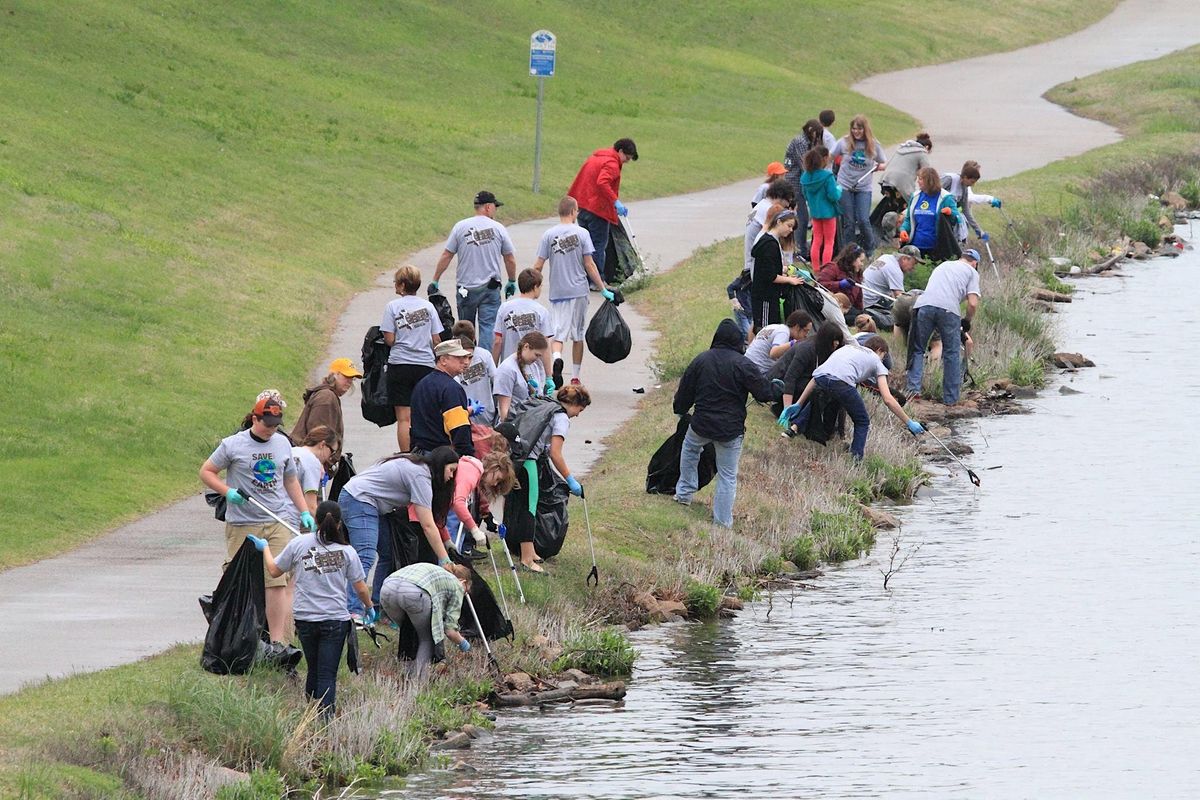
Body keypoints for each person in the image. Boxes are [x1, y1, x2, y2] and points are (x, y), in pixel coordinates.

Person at [200, 393, 313, 644]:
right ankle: (234, 636)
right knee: (240, 579)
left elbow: (290, 479)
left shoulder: (283, 444)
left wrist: (304, 510)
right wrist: (227, 492)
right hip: (243, 523)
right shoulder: (232, 445)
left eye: (276, 425)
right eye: (267, 424)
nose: (271, 430)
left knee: (277, 580)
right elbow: (207, 472)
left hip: (277, 520)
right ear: (255, 418)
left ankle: (278, 643)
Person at [249, 501, 372, 717]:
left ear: (315, 522)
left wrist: (265, 548)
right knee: (327, 674)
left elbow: (274, 570)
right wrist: (369, 607)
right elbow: (360, 587)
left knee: (313, 669)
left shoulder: (299, 544)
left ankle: (310, 715)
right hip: (334, 621)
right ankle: (325, 721)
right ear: (340, 524)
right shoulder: (347, 551)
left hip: (305, 620)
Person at [338, 446, 460, 620]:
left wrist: (447, 541)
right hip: (359, 499)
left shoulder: (418, 467)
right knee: (365, 555)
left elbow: (433, 517)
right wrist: (444, 559)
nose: (451, 476)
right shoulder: (421, 475)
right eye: (451, 470)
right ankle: (352, 611)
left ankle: (377, 607)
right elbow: (427, 525)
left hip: (370, 503)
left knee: (388, 554)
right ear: (441, 465)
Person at [672, 319, 772, 528]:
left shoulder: (701, 360)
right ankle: (723, 521)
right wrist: (777, 388)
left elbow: (685, 393)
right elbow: (763, 393)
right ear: (738, 341)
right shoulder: (743, 364)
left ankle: (684, 494)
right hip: (731, 430)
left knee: (689, 450)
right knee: (727, 475)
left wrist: (680, 411)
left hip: (701, 424)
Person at [782, 337, 924, 460]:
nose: (883, 359)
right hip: (842, 382)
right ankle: (856, 459)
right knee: (862, 420)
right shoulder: (877, 361)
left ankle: (792, 429)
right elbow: (887, 399)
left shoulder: (848, 348)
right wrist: (908, 422)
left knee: (822, 398)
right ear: (880, 351)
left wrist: (799, 404)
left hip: (822, 377)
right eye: (884, 356)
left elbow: (817, 377)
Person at [504, 384, 591, 572]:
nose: (578, 414)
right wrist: (570, 480)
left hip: (518, 459)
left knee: (523, 505)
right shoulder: (561, 418)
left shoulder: (548, 404)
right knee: (529, 508)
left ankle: (531, 551)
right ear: (574, 404)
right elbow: (555, 453)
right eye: (580, 410)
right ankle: (527, 559)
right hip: (529, 463)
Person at [531, 196, 615, 387]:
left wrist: (529, 289)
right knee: (578, 334)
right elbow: (589, 264)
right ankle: (575, 376)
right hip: (579, 290)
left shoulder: (549, 235)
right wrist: (603, 289)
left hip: (558, 292)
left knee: (558, 333)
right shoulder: (582, 233)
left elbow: (538, 265)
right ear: (573, 211)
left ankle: (557, 357)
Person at [429, 191, 518, 353]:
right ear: (488, 207)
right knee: (488, 327)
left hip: (466, 289)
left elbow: (447, 254)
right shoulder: (498, 228)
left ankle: (465, 365)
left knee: (465, 330)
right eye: (495, 207)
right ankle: (484, 364)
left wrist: (435, 279)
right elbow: (509, 258)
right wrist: (512, 280)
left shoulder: (460, 227)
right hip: (490, 289)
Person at [906, 249, 982, 405]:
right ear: (975, 263)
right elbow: (973, 303)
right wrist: (967, 320)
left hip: (924, 305)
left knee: (918, 348)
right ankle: (950, 399)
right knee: (951, 353)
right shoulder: (972, 272)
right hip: (949, 310)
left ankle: (913, 392)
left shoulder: (943, 265)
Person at [382, 264, 444, 452]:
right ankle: (424, 450)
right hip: (424, 364)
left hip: (400, 364)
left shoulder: (392, 307)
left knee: (403, 417)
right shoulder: (428, 307)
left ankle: (405, 455)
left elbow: (389, 339)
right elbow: (436, 339)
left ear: (401, 285)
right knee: (423, 413)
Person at [378, 561, 473, 678]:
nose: (463, 594)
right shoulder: (457, 584)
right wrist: (464, 645)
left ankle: (407, 673)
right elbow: (450, 631)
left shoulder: (438, 574)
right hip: (414, 592)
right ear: (463, 582)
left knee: (408, 631)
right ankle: (418, 681)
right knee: (426, 639)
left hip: (387, 588)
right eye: (466, 591)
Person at [567, 138, 638, 284]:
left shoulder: (597, 157)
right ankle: (596, 280)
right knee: (598, 245)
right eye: (627, 157)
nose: (627, 161)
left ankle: (585, 278)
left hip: (583, 206)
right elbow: (602, 182)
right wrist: (615, 201)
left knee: (586, 245)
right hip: (597, 210)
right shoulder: (611, 164)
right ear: (620, 151)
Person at [443, 434, 517, 554]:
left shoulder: (474, 470)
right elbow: (458, 503)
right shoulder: (472, 472)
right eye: (497, 479)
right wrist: (474, 530)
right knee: (453, 544)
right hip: (451, 518)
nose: (494, 484)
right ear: (494, 467)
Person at [830, 115, 886, 256]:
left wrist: (879, 166)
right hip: (845, 185)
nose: (856, 131)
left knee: (863, 219)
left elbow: (883, 162)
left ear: (865, 129)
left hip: (863, 188)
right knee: (848, 221)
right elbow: (830, 156)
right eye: (854, 128)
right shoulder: (844, 142)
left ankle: (869, 249)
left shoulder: (873, 144)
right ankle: (848, 252)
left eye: (859, 128)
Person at [409, 340, 476, 458]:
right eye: (458, 357)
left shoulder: (421, 384)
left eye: (466, 357)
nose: (465, 362)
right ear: (443, 360)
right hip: (442, 458)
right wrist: (468, 456)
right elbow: (459, 429)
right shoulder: (451, 389)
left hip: (419, 454)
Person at [290, 357, 362, 457]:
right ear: (334, 375)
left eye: (352, 378)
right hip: (312, 460)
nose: (349, 381)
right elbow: (319, 438)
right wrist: (323, 464)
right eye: (346, 376)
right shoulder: (326, 398)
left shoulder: (329, 395)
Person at [749, 208, 806, 331]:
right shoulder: (769, 244)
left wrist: (784, 270)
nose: (790, 230)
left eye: (792, 228)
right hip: (764, 297)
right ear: (779, 222)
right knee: (765, 330)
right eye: (789, 226)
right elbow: (770, 276)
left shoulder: (772, 241)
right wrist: (789, 280)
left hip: (770, 296)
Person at [771, 320, 846, 409]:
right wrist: (787, 408)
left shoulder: (827, 352)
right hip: (780, 384)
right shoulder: (806, 349)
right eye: (834, 340)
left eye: (838, 340)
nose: (836, 343)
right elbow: (790, 377)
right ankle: (781, 407)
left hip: (801, 381)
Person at [493, 268, 552, 371]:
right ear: (535, 287)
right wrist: (548, 375)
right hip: (533, 369)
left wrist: (494, 369)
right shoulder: (541, 311)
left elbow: (498, 341)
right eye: (540, 286)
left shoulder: (504, 308)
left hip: (508, 367)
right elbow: (545, 346)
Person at [900, 167, 962, 260]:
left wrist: (950, 212)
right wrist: (903, 230)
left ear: (929, 180)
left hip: (937, 248)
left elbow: (957, 219)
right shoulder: (915, 196)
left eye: (920, 179)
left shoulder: (945, 198)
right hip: (916, 247)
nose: (918, 182)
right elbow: (908, 219)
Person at [861, 245, 923, 329]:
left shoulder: (886, 257)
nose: (914, 268)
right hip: (871, 302)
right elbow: (901, 299)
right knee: (900, 320)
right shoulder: (895, 270)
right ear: (904, 259)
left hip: (863, 296)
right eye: (914, 263)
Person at [800, 145, 841, 269]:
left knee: (817, 240)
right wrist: (839, 189)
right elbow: (833, 195)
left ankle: (816, 267)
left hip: (815, 212)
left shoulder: (805, 177)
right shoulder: (827, 176)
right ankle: (826, 268)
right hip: (828, 213)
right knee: (829, 242)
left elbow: (805, 195)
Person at [494, 331, 550, 421]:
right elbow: (504, 411)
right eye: (536, 355)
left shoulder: (534, 365)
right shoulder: (507, 369)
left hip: (531, 421)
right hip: (516, 423)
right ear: (526, 346)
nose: (537, 359)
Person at [743, 178, 795, 273]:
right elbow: (776, 236)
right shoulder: (769, 210)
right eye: (788, 201)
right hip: (756, 265)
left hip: (751, 260)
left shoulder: (761, 205)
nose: (788, 205)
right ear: (780, 196)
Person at [942, 161, 1000, 245]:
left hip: (948, 218)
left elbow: (966, 211)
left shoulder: (964, 189)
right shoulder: (950, 179)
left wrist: (979, 231)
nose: (973, 185)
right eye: (972, 182)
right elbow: (932, 192)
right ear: (965, 177)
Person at [452, 321, 498, 426]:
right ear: (473, 338)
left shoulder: (452, 359)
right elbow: (496, 379)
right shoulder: (484, 354)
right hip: (486, 412)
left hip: (463, 412)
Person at [744, 310, 813, 376]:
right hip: (758, 371)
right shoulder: (784, 332)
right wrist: (794, 343)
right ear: (797, 327)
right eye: (805, 331)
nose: (806, 335)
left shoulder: (773, 326)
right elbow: (773, 353)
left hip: (747, 363)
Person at [295, 426, 338, 513]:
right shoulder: (312, 462)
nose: (330, 458)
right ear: (322, 445)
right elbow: (311, 506)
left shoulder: (293, 451)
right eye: (332, 452)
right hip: (293, 517)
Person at [879, 132, 933, 201]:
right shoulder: (922, 152)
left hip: (886, 181)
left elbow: (887, 165)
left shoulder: (901, 149)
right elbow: (926, 173)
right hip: (902, 184)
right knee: (912, 203)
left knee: (892, 204)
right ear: (927, 147)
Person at [817, 243, 867, 316]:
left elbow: (858, 299)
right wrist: (839, 284)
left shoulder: (857, 275)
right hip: (831, 307)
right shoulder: (833, 268)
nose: (862, 264)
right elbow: (819, 285)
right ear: (853, 258)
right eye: (861, 261)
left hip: (847, 309)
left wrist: (861, 312)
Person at [726, 267, 753, 343]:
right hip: (741, 310)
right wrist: (734, 301)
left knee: (752, 332)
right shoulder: (741, 281)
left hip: (751, 310)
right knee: (746, 333)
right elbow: (730, 288)